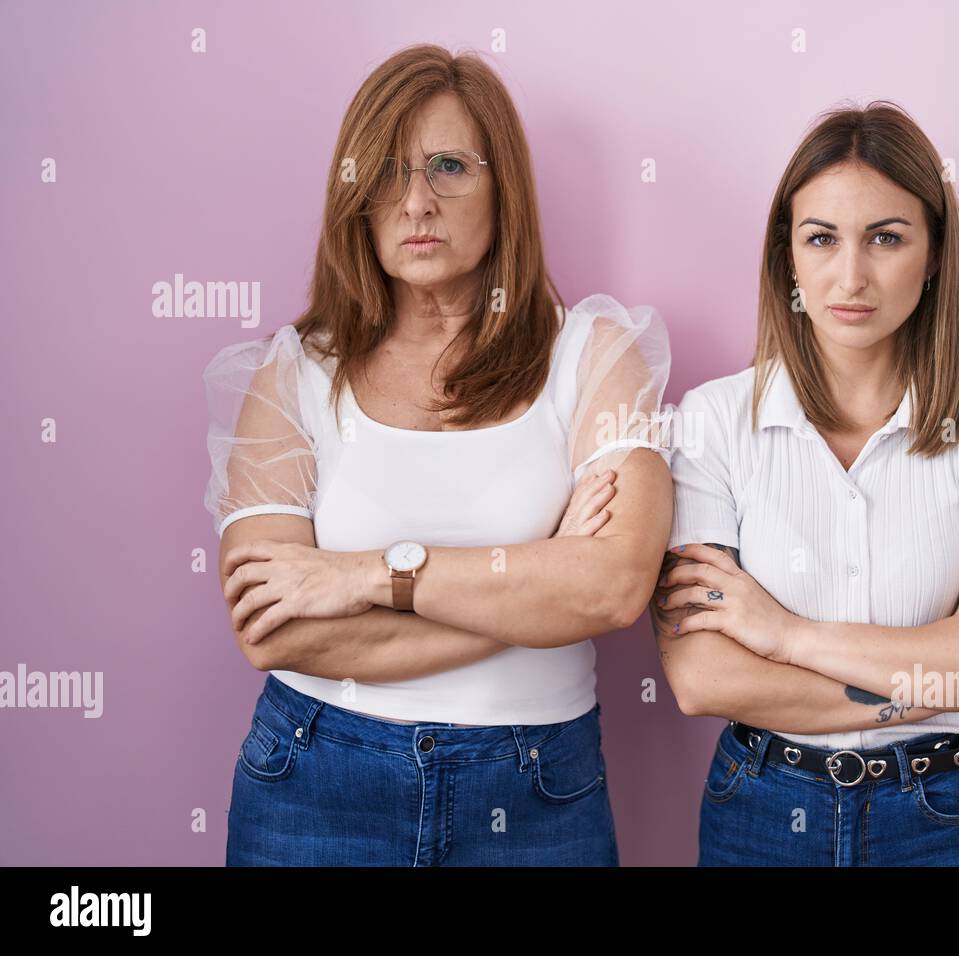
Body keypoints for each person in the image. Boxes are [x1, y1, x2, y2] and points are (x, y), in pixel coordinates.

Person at [204, 44, 673, 866]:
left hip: (537, 794)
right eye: (387, 172)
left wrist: (368, 576)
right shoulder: (295, 371)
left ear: (506, 191)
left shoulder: (594, 353)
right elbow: (270, 628)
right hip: (316, 780)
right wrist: (538, 579)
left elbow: (613, 588)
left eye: (450, 165)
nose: (417, 200)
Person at [652, 101, 959, 867]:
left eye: (886, 238)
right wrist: (939, 680)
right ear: (788, 257)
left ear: (936, 253)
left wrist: (786, 636)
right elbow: (702, 676)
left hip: (943, 816)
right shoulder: (714, 421)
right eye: (822, 239)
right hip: (760, 808)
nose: (851, 276)